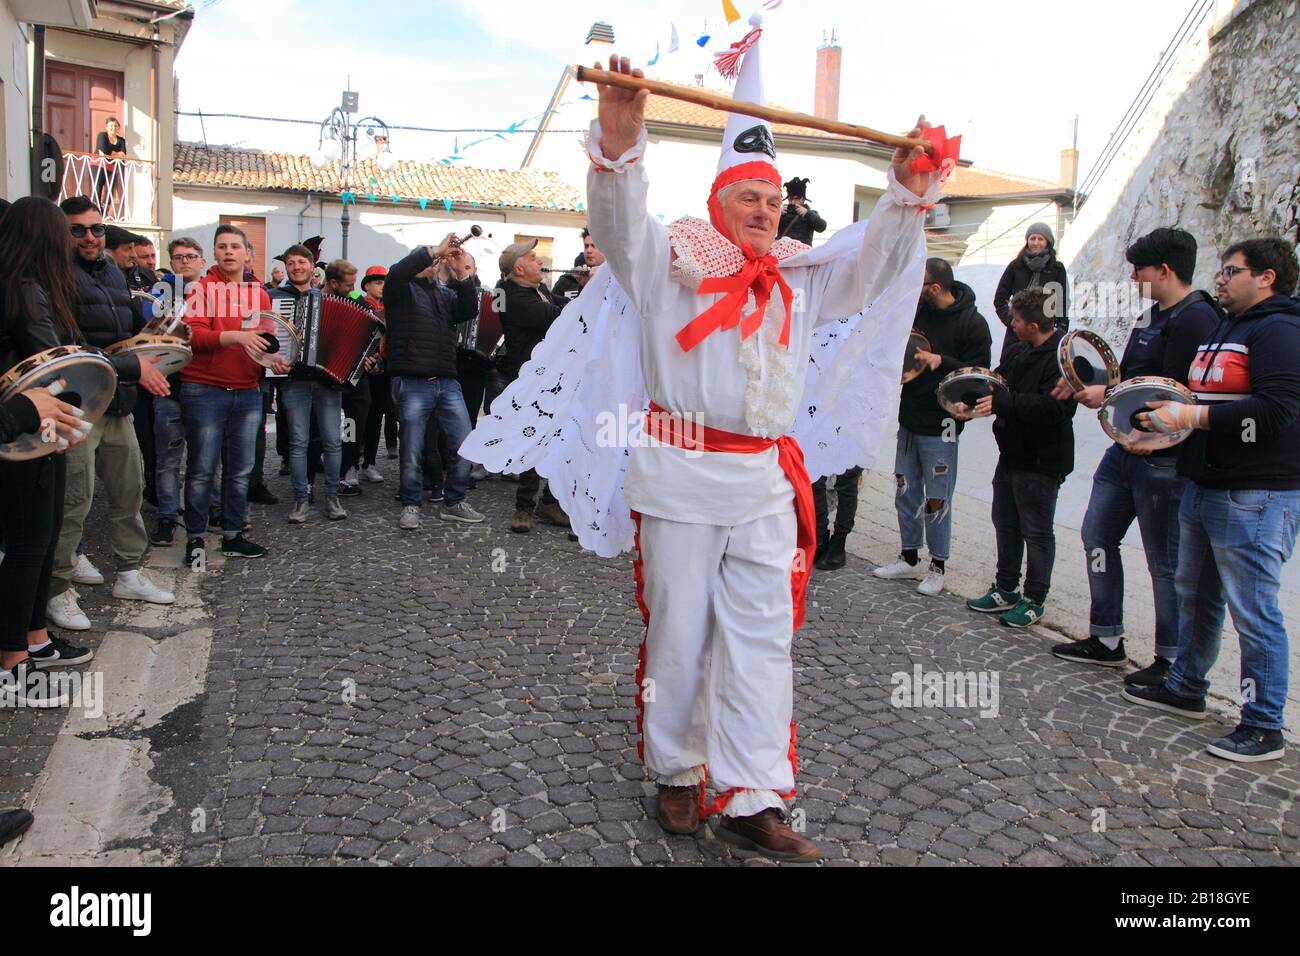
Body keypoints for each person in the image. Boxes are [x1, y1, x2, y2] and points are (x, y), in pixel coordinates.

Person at [465, 45, 944, 860]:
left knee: (761, 638)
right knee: (681, 630)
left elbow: (881, 263)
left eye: (771, 200)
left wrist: (906, 193)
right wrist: (619, 144)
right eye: (747, 197)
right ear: (719, 204)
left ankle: (754, 792)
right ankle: (679, 771)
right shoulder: (667, 266)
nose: (763, 210)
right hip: (680, 472)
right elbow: (619, 222)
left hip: (763, 479)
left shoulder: (803, 279)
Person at [1123, 237, 1300, 763]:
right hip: (1204, 483)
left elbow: (1276, 411)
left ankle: (1264, 724)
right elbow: (1204, 400)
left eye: (1232, 270)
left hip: (1257, 493)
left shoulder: (1281, 329)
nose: (1220, 278)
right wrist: (1164, 428)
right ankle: (1187, 685)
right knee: (1196, 594)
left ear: (1266, 277)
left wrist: (1190, 418)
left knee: (1253, 611)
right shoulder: (1227, 325)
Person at [1050, 228, 1221, 682]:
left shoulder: (1197, 319)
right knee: (1097, 535)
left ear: (1164, 270)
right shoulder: (1152, 317)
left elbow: (1178, 394)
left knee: (1163, 562)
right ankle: (1106, 638)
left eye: (1138, 270)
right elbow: (1133, 377)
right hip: (1124, 451)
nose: (1130, 277)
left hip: (1162, 459)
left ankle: (1170, 661)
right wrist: (1102, 387)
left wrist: (1113, 393)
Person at [45, 197, 173, 633]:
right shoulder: (54, 273)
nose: (89, 237)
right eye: (77, 230)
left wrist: (154, 340)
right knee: (73, 503)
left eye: (96, 229)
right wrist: (133, 364)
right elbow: (68, 347)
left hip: (119, 402)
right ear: (62, 233)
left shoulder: (114, 271)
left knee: (128, 492)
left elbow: (120, 336)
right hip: (78, 405)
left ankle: (128, 573)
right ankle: (57, 588)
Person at [0, 196, 95, 709]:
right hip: (29, 430)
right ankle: (13, 660)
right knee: (29, 545)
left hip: (36, 427)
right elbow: (51, 365)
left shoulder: (23, 283)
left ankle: (35, 638)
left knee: (38, 538)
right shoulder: (24, 287)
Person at [871, 257, 991, 587]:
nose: (916, 291)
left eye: (921, 285)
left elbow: (980, 375)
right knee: (905, 491)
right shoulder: (917, 311)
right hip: (910, 419)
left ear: (935, 287)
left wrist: (941, 362)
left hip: (942, 426)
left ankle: (938, 567)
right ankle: (909, 557)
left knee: (937, 498)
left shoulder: (973, 323)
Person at [965, 287, 1075, 627]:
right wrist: (969, 395)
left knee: (1037, 531)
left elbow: (1054, 409)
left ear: (1033, 324)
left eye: (1016, 320)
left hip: (1041, 461)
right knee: (1006, 522)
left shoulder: (1063, 357)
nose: (1011, 324)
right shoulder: (1023, 350)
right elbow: (999, 379)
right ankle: (1006, 588)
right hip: (1011, 454)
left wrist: (1002, 403)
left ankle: (1035, 598)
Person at [179, 224, 278, 567]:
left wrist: (274, 360)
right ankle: (195, 540)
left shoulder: (260, 294)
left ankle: (233, 536)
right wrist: (236, 336)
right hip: (204, 388)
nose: (229, 252)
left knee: (240, 470)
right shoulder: (201, 289)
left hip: (247, 390)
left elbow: (262, 345)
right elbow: (194, 338)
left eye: (235, 246)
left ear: (248, 253)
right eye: (222, 246)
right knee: (202, 469)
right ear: (215, 252)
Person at [385, 235, 485, 529]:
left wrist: (461, 274)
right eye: (430, 259)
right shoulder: (400, 291)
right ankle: (410, 504)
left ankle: (454, 501)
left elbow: (469, 310)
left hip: (447, 381)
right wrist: (434, 250)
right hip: (413, 381)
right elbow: (398, 271)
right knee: (412, 450)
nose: (435, 263)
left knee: (465, 444)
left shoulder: (444, 295)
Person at [498, 240, 569, 534]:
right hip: (528, 380)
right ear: (518, 268)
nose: (540, 260)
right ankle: (524, 507)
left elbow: (559, 304)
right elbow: (554, 317)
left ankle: (551, 501)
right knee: (531, 440)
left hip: (553, 378)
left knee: (560, 438)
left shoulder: (538, 290)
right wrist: (589, 297)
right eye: (532, 257)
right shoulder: (508, 294)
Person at [274, 244, 348, 522]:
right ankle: (301, 499)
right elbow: (270, 338)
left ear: (311, 266)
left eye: (300, 262)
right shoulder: (276, 298)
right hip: (294, 380)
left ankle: (332, 496)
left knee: (332, 441)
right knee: (298, 442)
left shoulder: (329, 299)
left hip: (326, 380)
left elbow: (342, 336)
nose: (295, 267)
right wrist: (276, 356)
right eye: (290, 263)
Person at [149, 236, 207, 546]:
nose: (185, 261)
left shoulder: (215, 294)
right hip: (169, 386)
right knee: (168, 460)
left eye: (191, 256)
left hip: (204, 388)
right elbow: (150, 337)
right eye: (179, 257)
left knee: (204, 459)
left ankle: (204, 516)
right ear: (171, 262)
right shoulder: (162, 294)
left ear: (202, 261)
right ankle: (167, 517)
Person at [326, 259, 371, 497]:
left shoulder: (357, 300)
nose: (353, 289)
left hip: (354, 375)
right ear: (333, 283)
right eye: (348, 285)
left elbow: (371, 332)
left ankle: (349, 465)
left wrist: (370, 356)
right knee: (323, 425)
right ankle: (328, 468)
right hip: (326, 377)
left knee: (354, 422)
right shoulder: (318, 301)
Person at [993, 223, 1069, 361]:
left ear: (1048, 242)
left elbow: (1061, 303)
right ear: (1027, 241)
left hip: (1044, 336)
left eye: (1040, 239)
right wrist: (1014, 321)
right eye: (1032, 238)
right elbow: (1000, 299)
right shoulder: (1015, 266)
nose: (1036, 242)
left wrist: (1059, 332)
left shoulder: (1056, 269)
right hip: (1016, 337)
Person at [358, 265, 394, 482]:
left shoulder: (391, 307)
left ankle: (369, 462)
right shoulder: (359, 305)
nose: (382, 287)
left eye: (384, 283)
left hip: (385, 369)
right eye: (378, 283)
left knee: (376, 418)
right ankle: (351, 461)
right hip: (361, 370)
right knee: (356, 419)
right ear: (367, 285)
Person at [777, 176, 826, 246]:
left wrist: (808, 213)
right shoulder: (782, 213)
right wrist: (776, 214)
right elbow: (767, 229)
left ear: (802, 199)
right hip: (782, 252)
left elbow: (822, 227)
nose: (793, 202)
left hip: (802, 254)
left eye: (796, 198)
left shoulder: (811, 213)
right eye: (790, 199)